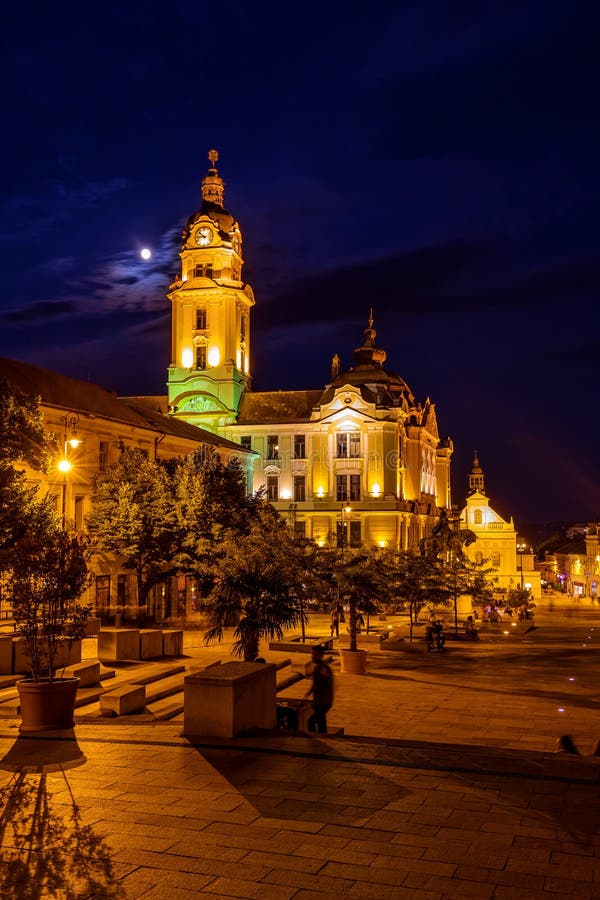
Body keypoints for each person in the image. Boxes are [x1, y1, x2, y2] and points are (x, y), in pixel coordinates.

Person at [305, 644, 333, 733]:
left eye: (315, 654)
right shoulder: (318, 668)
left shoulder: (323, 668)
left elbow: (321, 685)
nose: (312, 657)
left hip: (323, 702)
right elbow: (315, 684)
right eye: (312, 654)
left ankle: (315, 740)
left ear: (321, 656)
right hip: (321, 702)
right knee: (321, 722)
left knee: (312, 721)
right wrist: (309, 693)